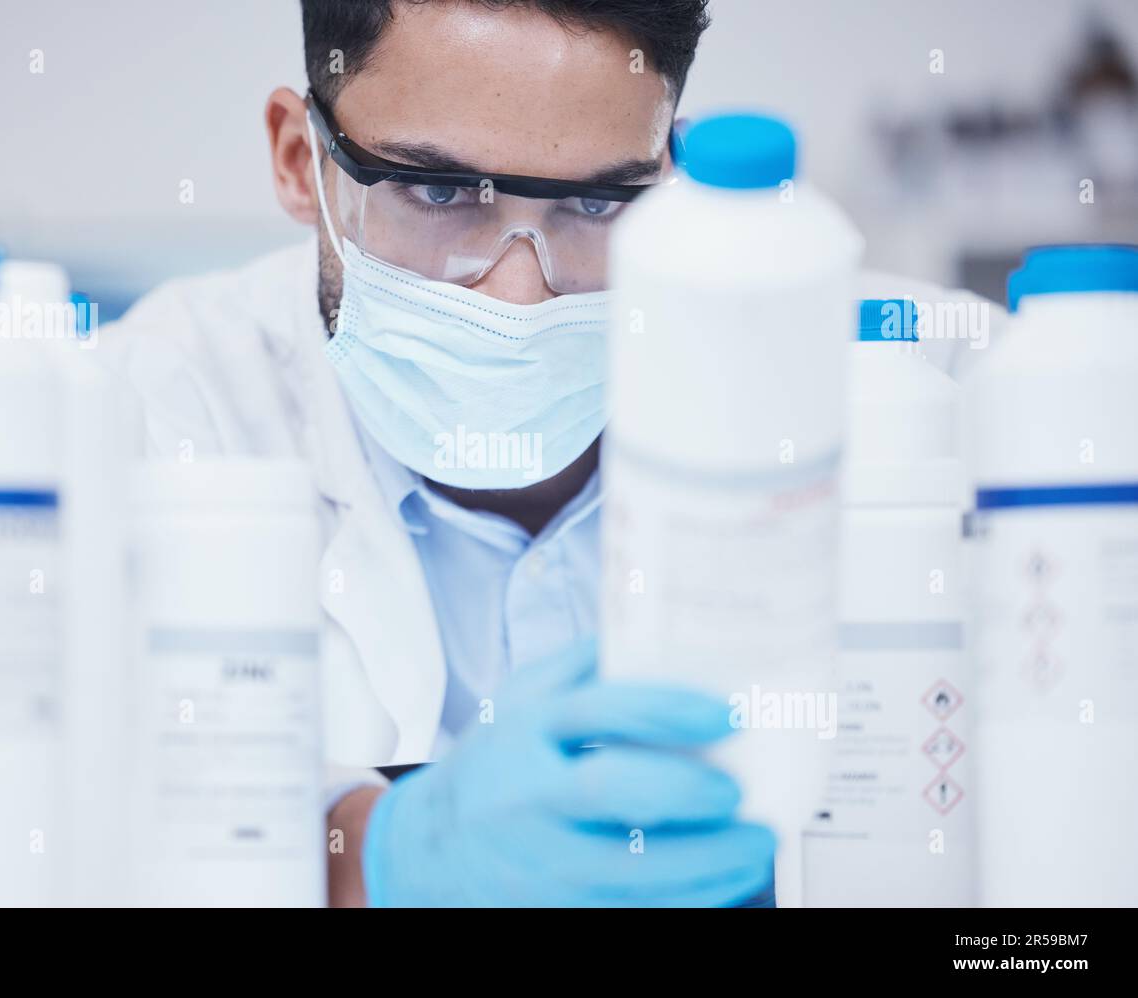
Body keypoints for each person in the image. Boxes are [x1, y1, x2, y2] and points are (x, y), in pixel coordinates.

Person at [102, 0, 996, 906]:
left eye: (597, 202)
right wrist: (380, 859)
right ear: (301, 161)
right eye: (440, 192)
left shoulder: (942, 383)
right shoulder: (149, 411)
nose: (521, 297)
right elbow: (78, 813)